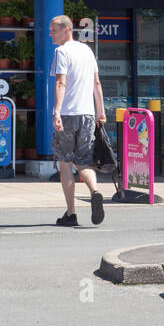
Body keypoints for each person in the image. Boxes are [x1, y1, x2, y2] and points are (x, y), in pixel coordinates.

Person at [48, 14, 106, 226]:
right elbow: (96, 83)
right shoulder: (87, 51)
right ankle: (95, 191)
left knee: (65, 164)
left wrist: (56, 111)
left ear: (66, 30)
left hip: (68, 114)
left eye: (53, 30)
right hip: (88, 114)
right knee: (84, 161)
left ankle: (71, 213)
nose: (50, 34)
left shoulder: (61, 52)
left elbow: (61, 83)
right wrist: (100, 111)